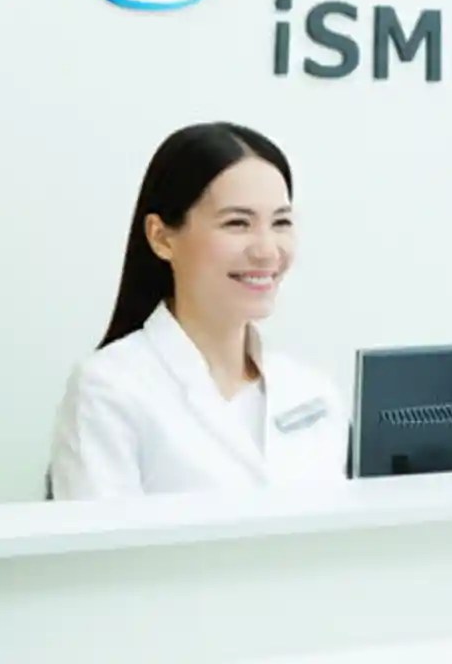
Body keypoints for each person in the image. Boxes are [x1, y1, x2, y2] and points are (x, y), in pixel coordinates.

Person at [49, 122, 350, 499]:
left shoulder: (313, 392)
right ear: (161, 237)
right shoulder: (109, 390)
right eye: (237, 223)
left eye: (281, 222)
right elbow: (96, 556)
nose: (267, 250)